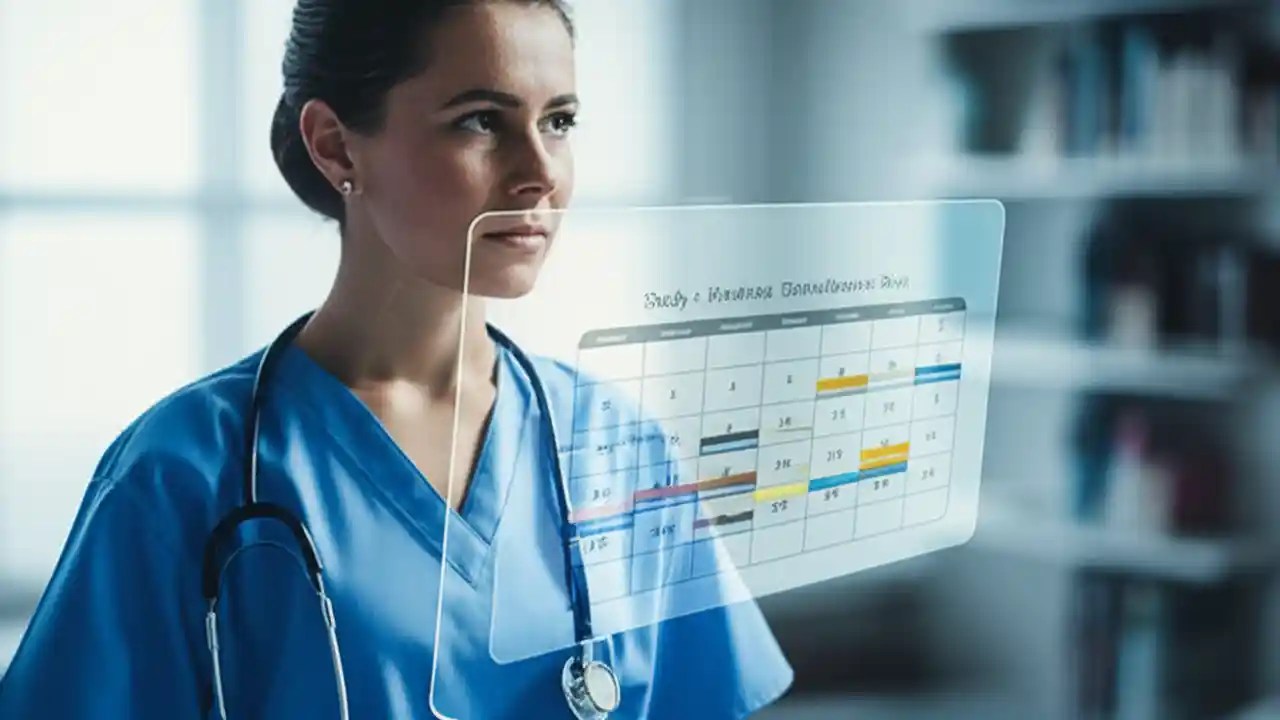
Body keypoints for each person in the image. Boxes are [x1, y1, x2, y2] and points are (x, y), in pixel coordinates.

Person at [0, 1, 793, 717]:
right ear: (336, 145)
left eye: (559, 121)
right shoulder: (181, 472)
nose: (541, 173)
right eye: (481, 120)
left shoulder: (618, 448)